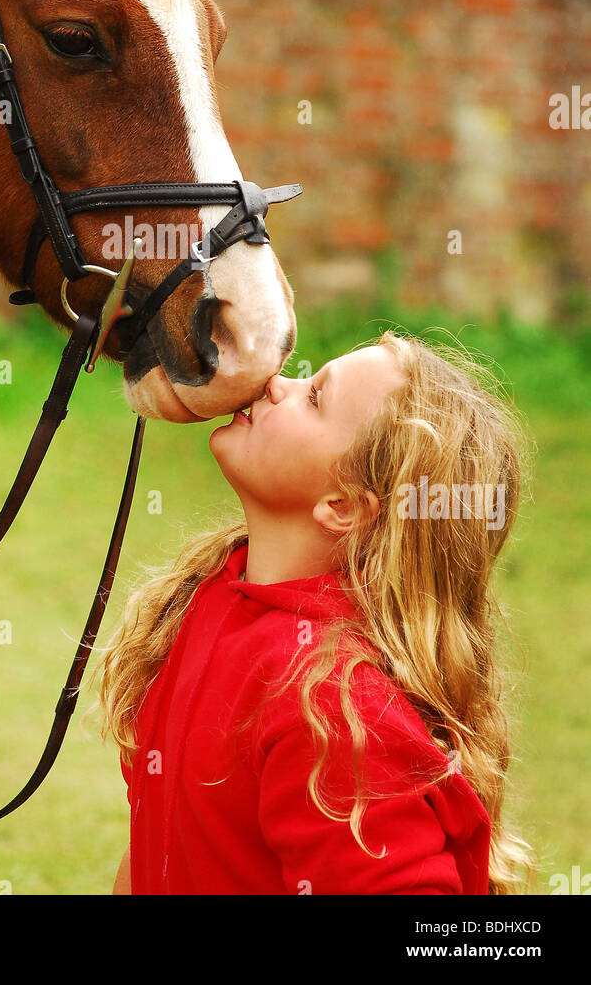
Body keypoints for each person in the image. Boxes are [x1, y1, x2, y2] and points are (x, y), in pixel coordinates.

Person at [92, 329, 536, 895]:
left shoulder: (337, 704)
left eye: (314, 398)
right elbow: (155, 846)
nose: (277, 382)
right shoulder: (206, 598)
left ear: (344, 505)